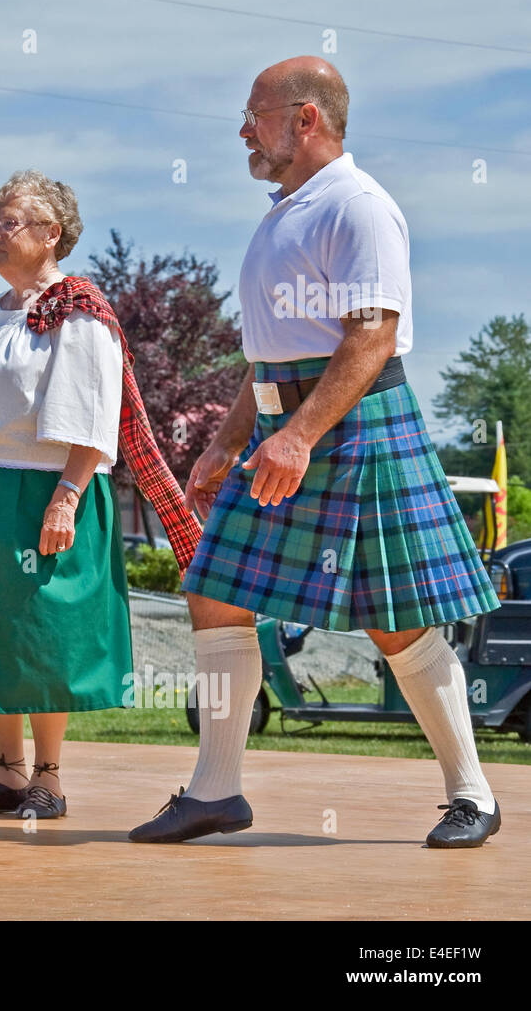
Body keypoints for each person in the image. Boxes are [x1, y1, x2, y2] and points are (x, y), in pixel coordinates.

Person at [129, 57, 502, 848]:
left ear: (305, 119)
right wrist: (230, 439)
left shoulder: (359, 207)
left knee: (397, 622)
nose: (242, 131)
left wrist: (299, 434)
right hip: (280, 428)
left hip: (355, 425)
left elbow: (373, 333)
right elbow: (274, 352)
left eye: (254, 115)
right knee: (215, 591)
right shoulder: (285, 213)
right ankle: (216, 791)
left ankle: (473, 794)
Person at [0, 171, 201, 819]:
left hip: (47, 492)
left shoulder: (79, 308)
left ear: (51, 233)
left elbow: (95, 418)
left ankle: (49, 778)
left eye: (8, 221)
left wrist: (66, 497)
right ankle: (8, 774)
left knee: (43, 634)